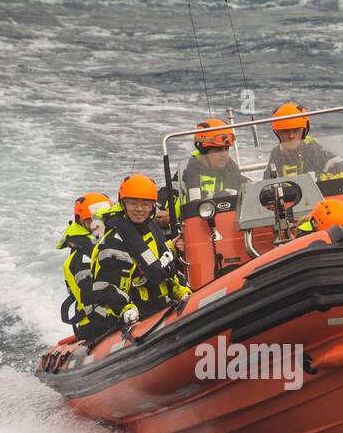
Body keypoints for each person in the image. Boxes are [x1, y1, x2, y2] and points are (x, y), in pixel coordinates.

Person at [89, 174, 191, 339]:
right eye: (133, 203)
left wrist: (182, 291)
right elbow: (105, 287)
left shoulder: (152, 231)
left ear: (153, 206)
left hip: (160, 307)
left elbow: (167, 268)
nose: (139, 209)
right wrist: (126, 310)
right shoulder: (113, 242)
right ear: (123, 204)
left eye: (145, 204)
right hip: (133, 316)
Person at [58, 191, 112, 339]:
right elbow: (91, 302)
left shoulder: (111, 243)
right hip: (95, 323)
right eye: (92, 221)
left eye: (102, 220)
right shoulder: (81, 259)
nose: (98, 225)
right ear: (81, 222)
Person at [263, 102, 343, 179]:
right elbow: (266, 184)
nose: (291, 136)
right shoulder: (276, 153)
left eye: (296, 131)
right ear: (277, 133)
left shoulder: (315, 149)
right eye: (285, 131)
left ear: (305, 131)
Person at [182, 118, 250, 197]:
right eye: (218, 150)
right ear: (204, 152)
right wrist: (164, 206)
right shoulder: (186, 175)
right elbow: (170, 191)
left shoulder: (235, 176)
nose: (224, 154)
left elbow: (254, 191)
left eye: (226, 149)